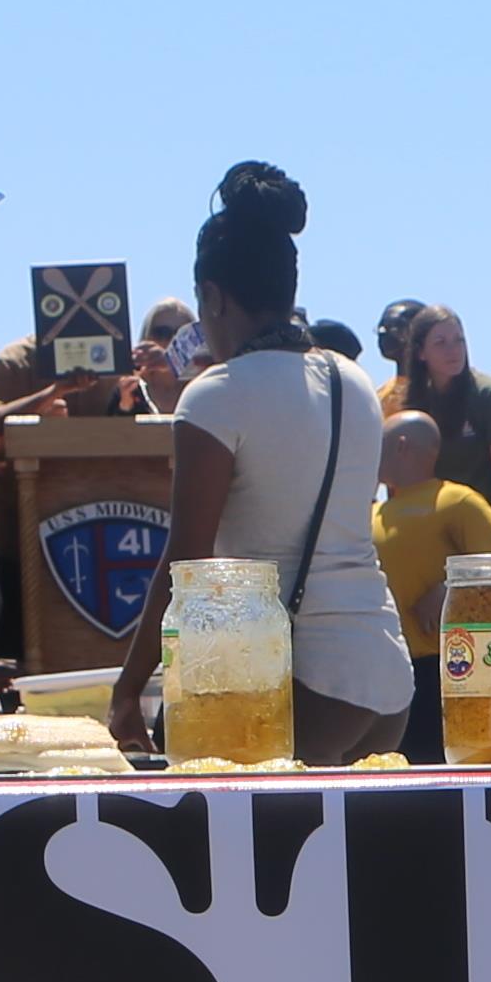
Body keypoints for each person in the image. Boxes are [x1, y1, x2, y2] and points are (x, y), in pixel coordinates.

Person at [107, 164, 415, 763]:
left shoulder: (216, 395)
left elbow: (186, 562)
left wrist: (128, 690)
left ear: (214, 297)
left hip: (297, 681)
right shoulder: (352, 380)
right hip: (384, 677)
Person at [369, 391, 491, 761]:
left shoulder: (456, 500)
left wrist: (450, 589)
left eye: (379, 445)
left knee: (450, 771)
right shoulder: (375, 513)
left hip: (453, 670)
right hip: (393, 670)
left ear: (402, 447)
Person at [390, 302, 491, 546]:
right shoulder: (409, 403)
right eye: (440, 343)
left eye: (459, 340)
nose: (453, 350)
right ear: (421, 352)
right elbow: (402, 478)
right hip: (440, 533)